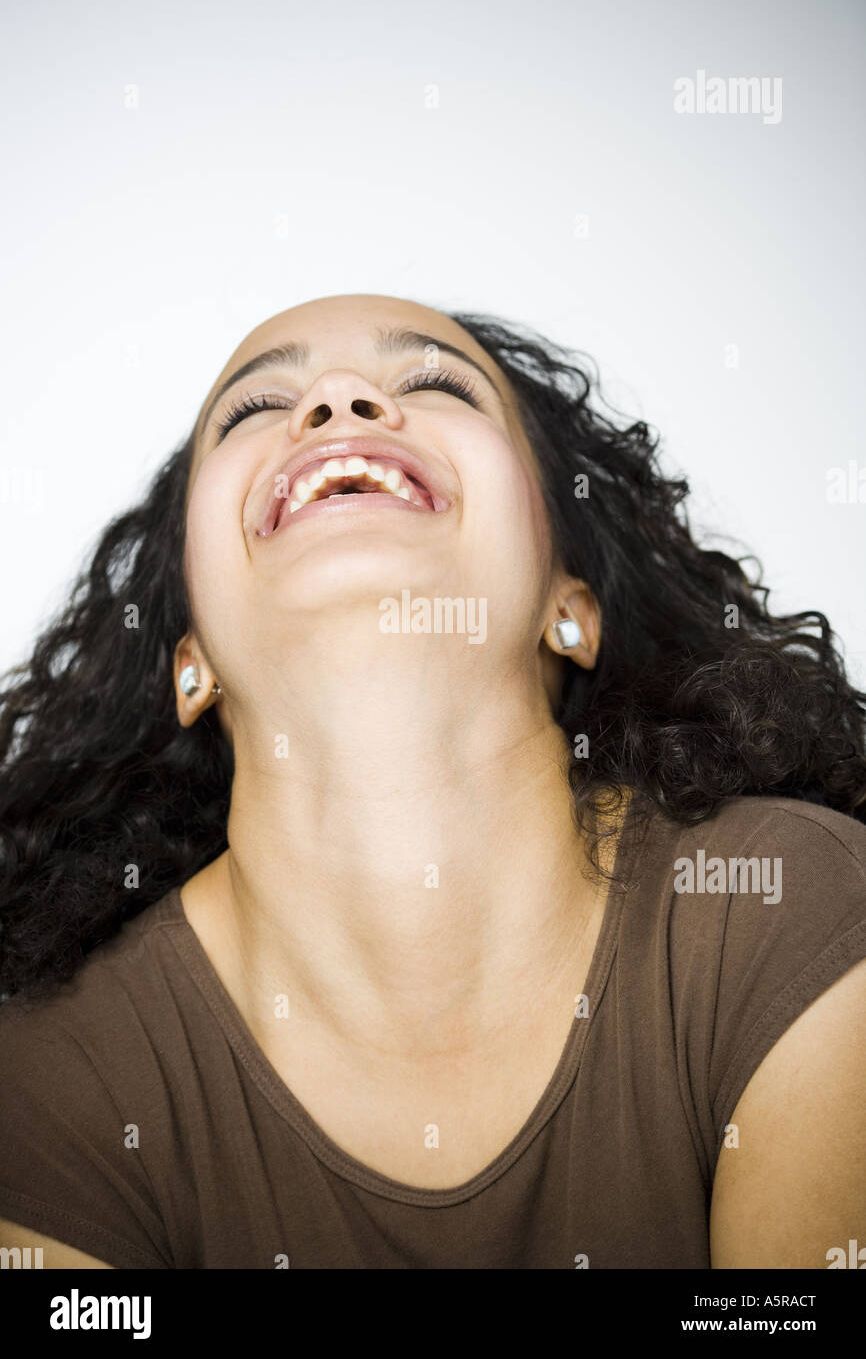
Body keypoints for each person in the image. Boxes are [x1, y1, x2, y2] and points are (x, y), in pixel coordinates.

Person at [1, 293, 864, 1270]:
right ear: (187, 661)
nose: (335, 398)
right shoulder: (53, 1086)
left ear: (568, 606)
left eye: (434, 383)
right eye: (251, 410)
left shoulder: (787, 909)